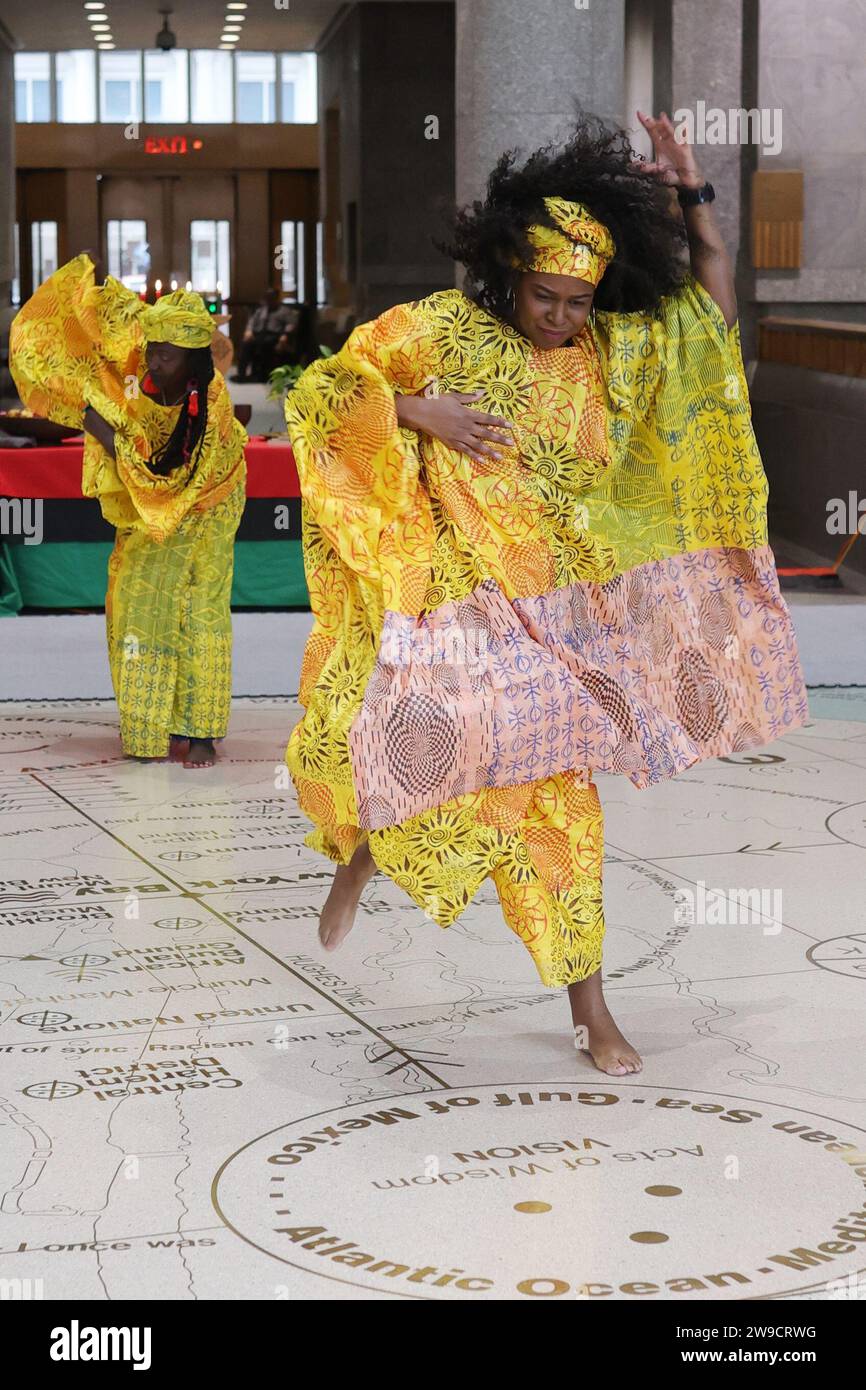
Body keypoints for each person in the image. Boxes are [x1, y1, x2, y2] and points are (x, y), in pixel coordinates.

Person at [282, 111, 808, 1076]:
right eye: (544, 293)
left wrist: (694, 194)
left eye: (577, 298)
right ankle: (361, 856)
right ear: (505, 273)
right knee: (433, 748)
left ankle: (591, 1011)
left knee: (566, 815)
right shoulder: (441, 331)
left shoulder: (610, 357)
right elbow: (315, 394)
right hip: (458, 600)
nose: (560, 315)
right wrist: (413, 407)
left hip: (559, 624)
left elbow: (711, 322)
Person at [10, 253, 247, 768]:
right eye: (152, 351)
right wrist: (88, 400)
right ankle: (147, 728)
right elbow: (107, 395)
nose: (153, 362)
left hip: (206, 505)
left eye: (166, 356)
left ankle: (200, 731)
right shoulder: (143, 373)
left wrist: (97, 424)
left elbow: (166, 475)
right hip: (150, 510)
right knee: (136, 600)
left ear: (196, 359)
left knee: (199, 609)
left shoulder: (213, 404)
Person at [233, 288, 297, 382]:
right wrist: (249, 331)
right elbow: (252, 321)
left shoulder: (285, 311)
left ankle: (263, 375)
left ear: (276, 298)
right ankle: (241, 375)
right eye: (268, 298)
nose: (269, 300)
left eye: (271, 298)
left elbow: (291, 324)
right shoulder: (261, 310)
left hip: (275, 336)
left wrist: (285, 335)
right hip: (259, 335)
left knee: (265, 344)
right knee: (246, 344)